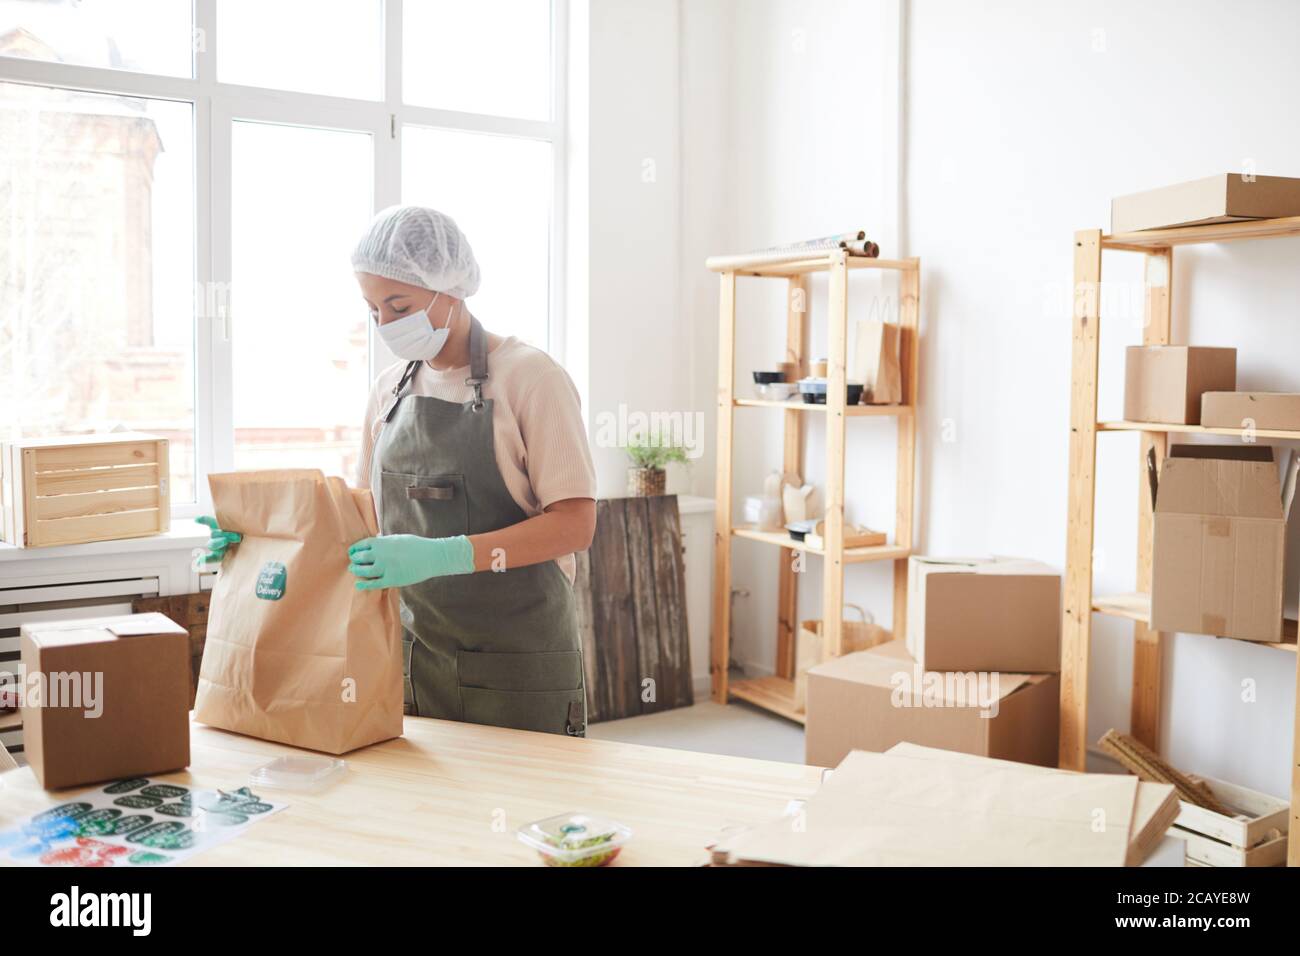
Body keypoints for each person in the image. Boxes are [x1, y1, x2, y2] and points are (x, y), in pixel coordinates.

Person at [200, 206, 596, 736]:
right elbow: (357, 518)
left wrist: (448, 553)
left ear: (450, 291)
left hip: (516, 663)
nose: (386, 323)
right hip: (409, 655)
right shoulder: (390, 389)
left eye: (399, 304)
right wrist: (257, 544)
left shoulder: (531, 378)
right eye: (373, 308)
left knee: (521, 814)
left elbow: (575, 524)